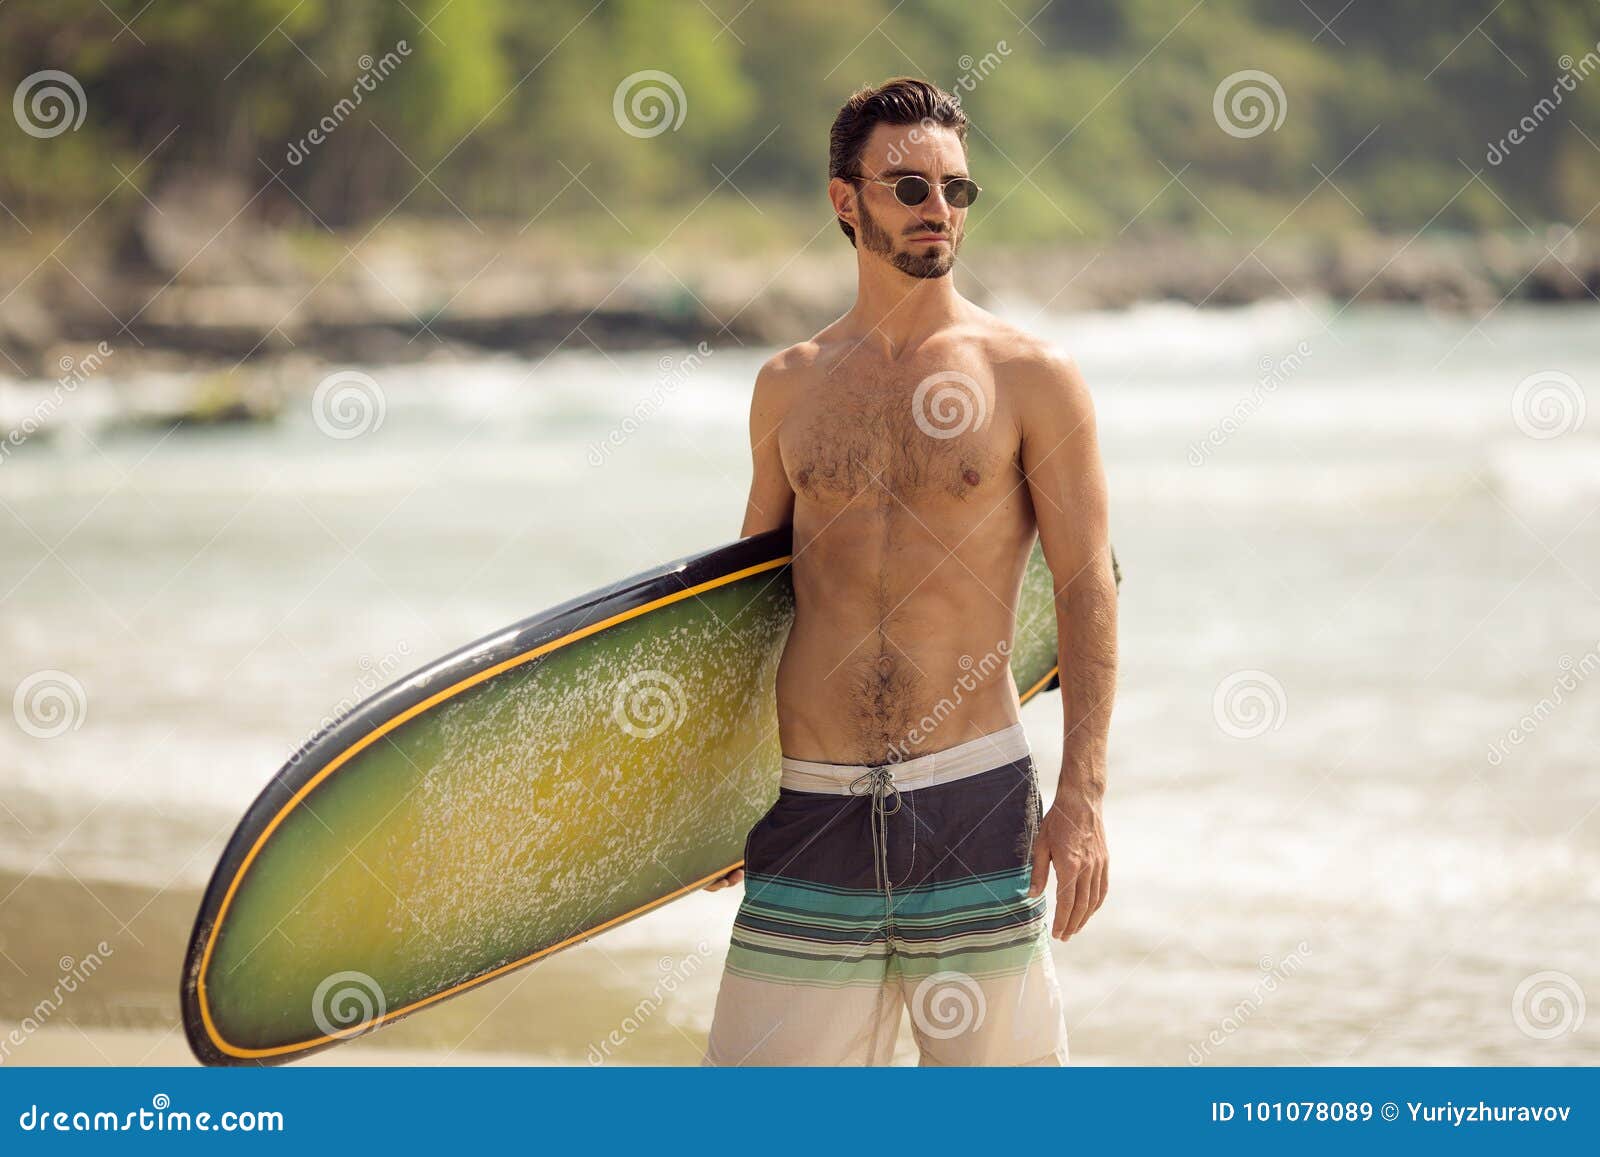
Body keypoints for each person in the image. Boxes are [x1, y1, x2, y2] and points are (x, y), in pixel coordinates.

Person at [699, 77, 1117, 1067]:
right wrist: (706, 804)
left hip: (969, 796)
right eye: (910, 187)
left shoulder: (1029, 375)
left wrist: (1083, 793)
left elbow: (1086, 585)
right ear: (845, 201)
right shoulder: (788, 386)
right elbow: (750, 605)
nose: (939, 210)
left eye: (955, 190)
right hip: (807, 806)